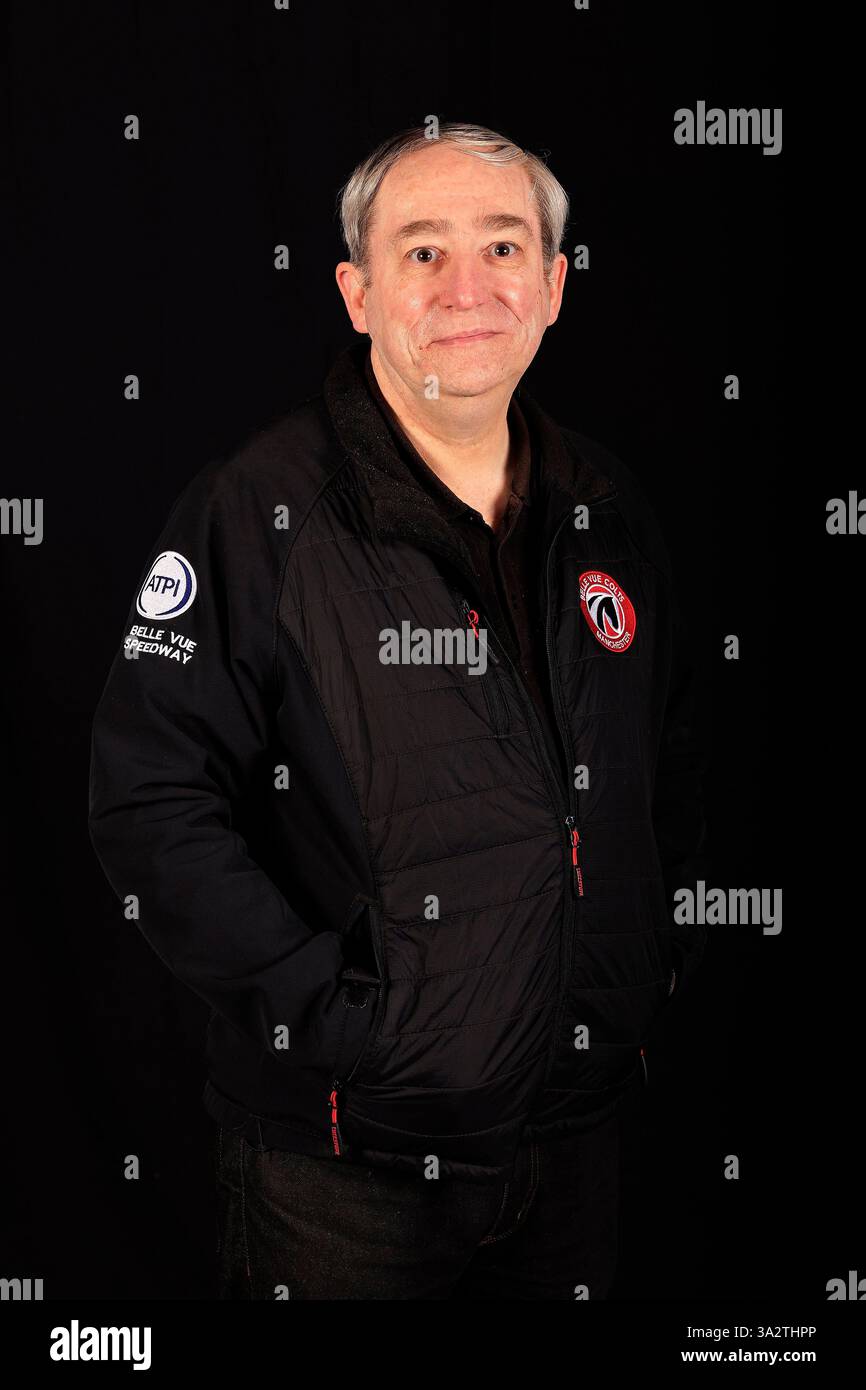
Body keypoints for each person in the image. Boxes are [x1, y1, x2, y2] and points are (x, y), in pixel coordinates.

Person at [88, 122, 708, 1300]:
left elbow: (665, 760)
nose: (466, 289)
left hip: (574, 1137)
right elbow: (148, 801)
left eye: (501, 247)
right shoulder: (257, 512)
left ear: (552, 287)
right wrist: (341, 1023)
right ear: (356, 292)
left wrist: (638, 958)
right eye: (420, 253)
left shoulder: (607, 506)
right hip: (348, 1171)